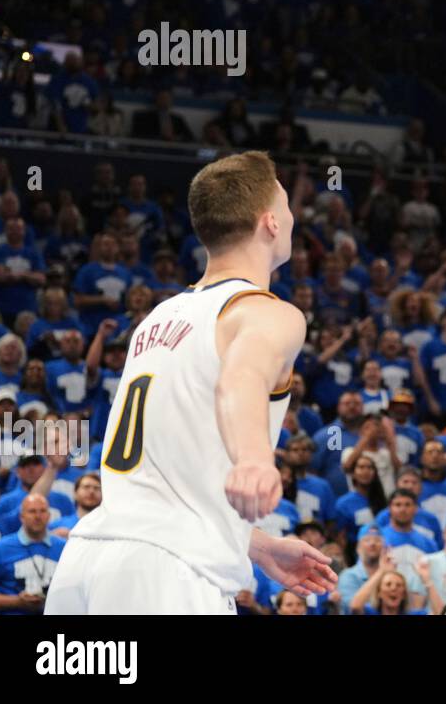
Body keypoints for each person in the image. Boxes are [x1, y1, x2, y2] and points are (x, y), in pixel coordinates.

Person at [45, 152, 336, 613]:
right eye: (287, 205)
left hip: (87, 561)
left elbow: (171, 474)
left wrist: (254, 544)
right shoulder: (267, 311)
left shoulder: (159, 317)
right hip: (165, 574)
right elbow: (241, 377)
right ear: (271, 224)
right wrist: (257, 460)